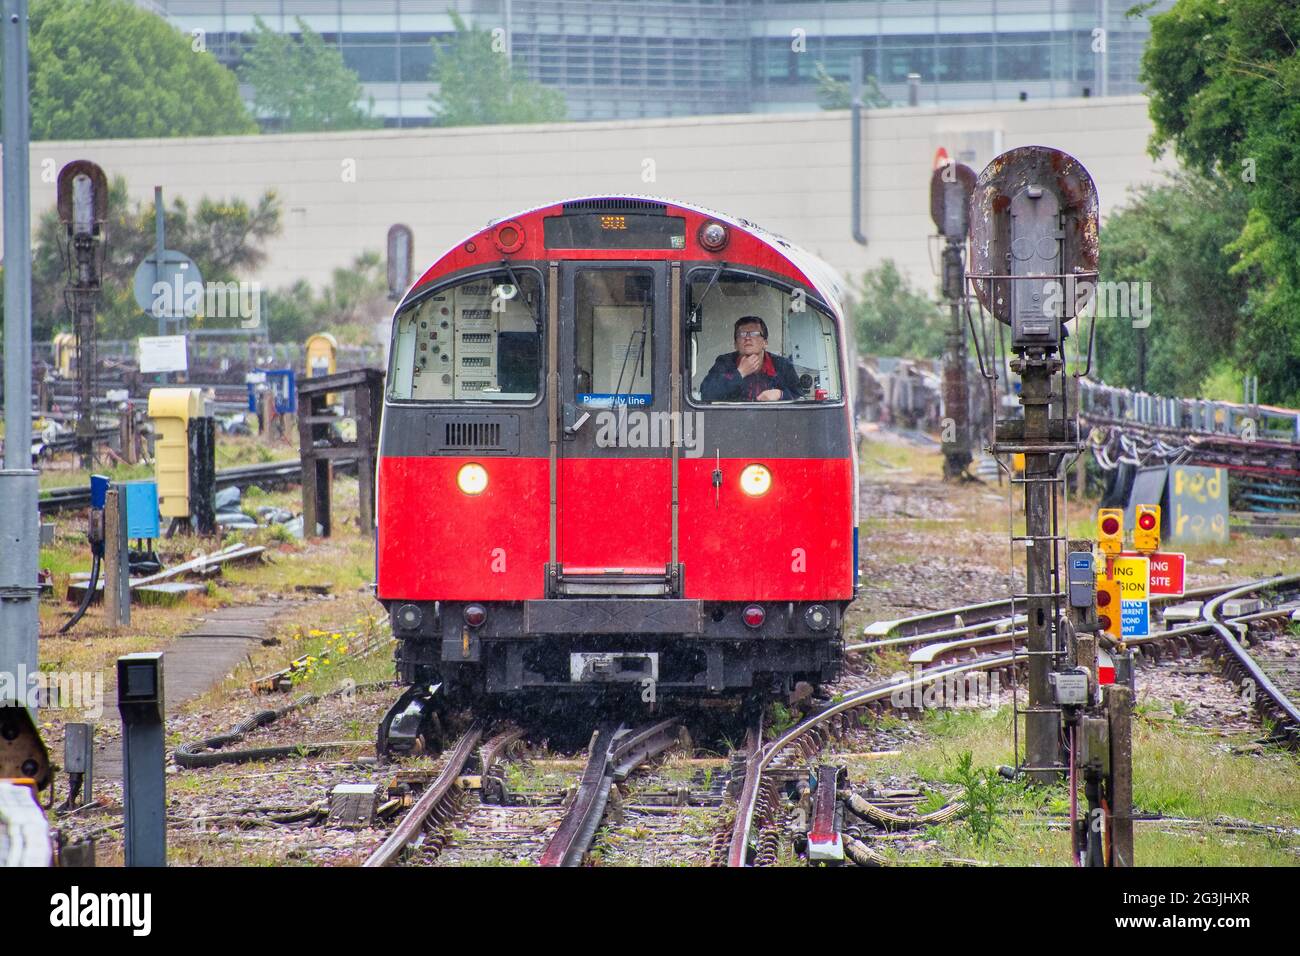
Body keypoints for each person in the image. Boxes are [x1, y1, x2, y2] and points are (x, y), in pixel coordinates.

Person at [699, 316, 803, 402]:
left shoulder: (782, 364)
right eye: (742, 334)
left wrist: (781, 394)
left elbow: (800, 397)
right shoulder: (724, 362)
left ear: (765, 343)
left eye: (754, 334)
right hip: (733, 422)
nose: (747, 338)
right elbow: (706, 394)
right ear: (735, 344)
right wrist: (740, 373)